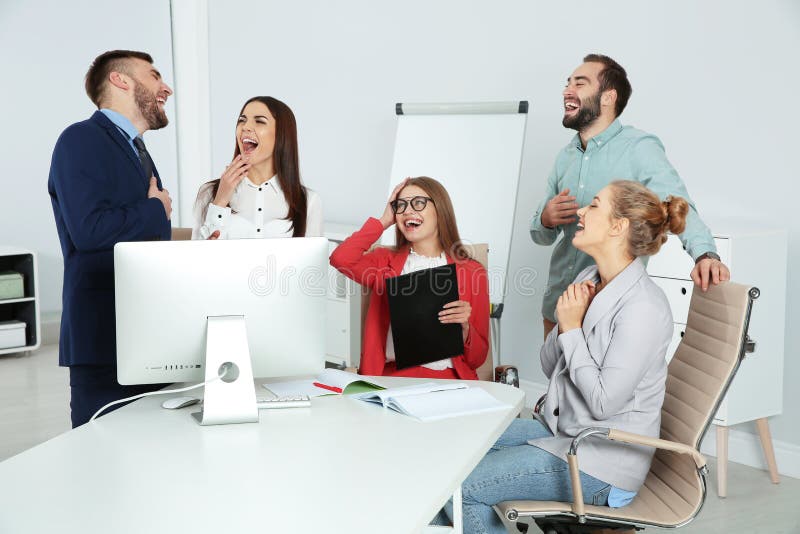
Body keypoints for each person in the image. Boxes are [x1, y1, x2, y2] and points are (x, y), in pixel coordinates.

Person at [436, 180, 687, 533]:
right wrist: (568, 323)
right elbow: (549, 364)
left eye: (595, 205)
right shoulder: (590, 278)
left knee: (461, 489)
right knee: (445, 457)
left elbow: (603, 404)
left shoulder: (643, 306)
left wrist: (571, 328)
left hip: (602, 461)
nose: (581, 211)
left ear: (618, 227)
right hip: (562, 431)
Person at [531, 53, 729, 336]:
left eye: (580, 83)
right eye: (567, 83)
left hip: (606, 308)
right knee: (556, 379)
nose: (567, 90)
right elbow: (540, 236)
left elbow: (678, 203)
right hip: (558, 304)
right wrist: (546, 219)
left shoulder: (639, 148)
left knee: (597, 380)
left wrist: (705, 255)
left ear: (608, 97)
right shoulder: (564, 158)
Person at [48, 50, 174, 427]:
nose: (166, 87)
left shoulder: (139, 152)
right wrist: (155, 209)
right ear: (121, 80)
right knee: (101, 468)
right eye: (153, 76)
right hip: (105, 344)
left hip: (150, 340)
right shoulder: (80, 139)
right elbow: (89, 230)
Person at [330, 177, 488, 379]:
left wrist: (465, 329)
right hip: (394, 378)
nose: (407, 211)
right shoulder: (383, 262)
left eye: (419, 203)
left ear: (440, 209)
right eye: (401, 205)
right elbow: (340, 258)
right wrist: (383, 221)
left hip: (449, 380)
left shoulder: (472, 272)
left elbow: (477, 359)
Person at [191, 96, 322, 239]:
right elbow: (198, 258)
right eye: (242, 120)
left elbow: (313, 260)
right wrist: (220, 201)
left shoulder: (309, 201)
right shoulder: (209, 192)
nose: (246, 127)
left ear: (281, 135)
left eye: (259, 121)